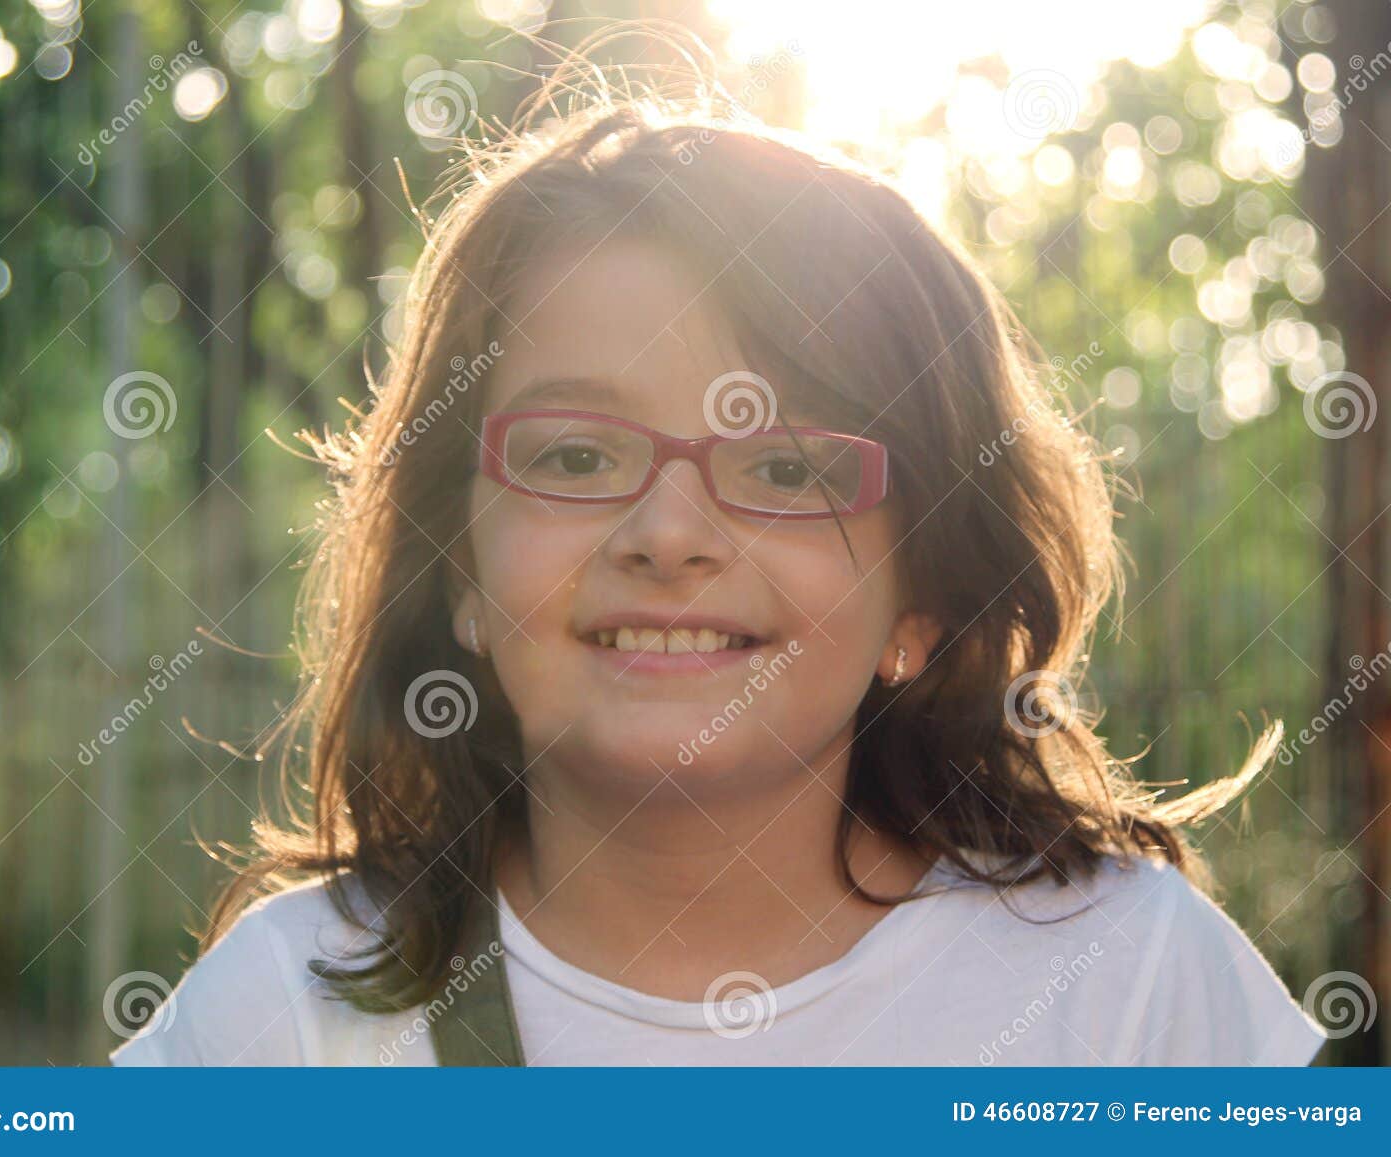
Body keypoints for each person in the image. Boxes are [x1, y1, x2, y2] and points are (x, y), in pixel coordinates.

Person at [111, 42, 1326, 1068]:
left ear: (921, 596)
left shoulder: (1128, 988)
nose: (669, 533)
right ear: (460, 566)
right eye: (575, 454)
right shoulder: (279, 1017)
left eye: (787, 468)